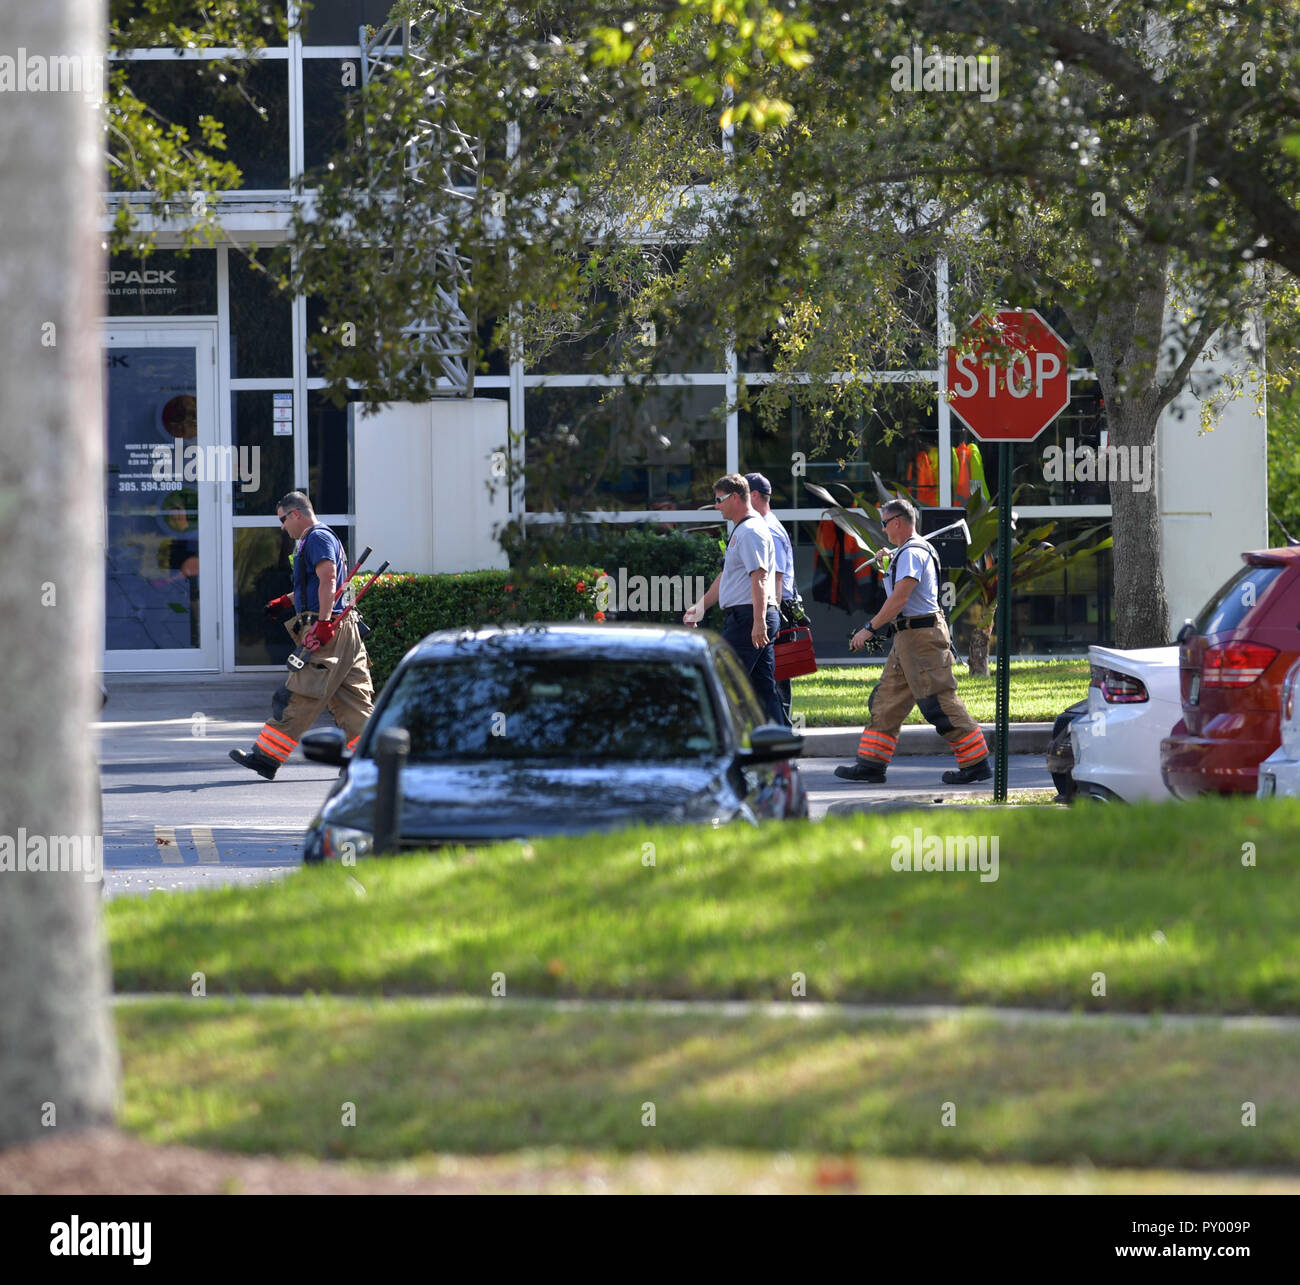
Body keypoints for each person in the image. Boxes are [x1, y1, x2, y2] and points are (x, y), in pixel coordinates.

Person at [835, 496, 991, 785]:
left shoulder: (912, 553)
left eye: (884, 523)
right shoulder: (905, 553)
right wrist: (886, 565)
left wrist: (869, 628)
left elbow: (900, 598)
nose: (883, 529)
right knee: (886, 701)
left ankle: (977, 763)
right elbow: (899, 592)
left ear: (897, 522)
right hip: (907, 638)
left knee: (938, 703)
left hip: (921, 639)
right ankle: (871, 764)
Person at [229, 491, 375, 780]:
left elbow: (329, 579)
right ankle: (369, 760)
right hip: (344, 629)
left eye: (283, 520)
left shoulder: (316, 538)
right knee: (354, 701)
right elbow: (317, 584)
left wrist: (321, 624)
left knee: (301, 693)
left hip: (329, 629)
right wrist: (287, 601)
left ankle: (266, 757)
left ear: (296, 514)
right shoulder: (323, 538)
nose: (283, 527)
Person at [682, 473, 787, 727]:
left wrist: (759, 622)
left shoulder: (751, 531)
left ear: (736, 497)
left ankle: (714, 739)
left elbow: (760, 578)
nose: (716, 506)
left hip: (749, 617)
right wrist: (700, 607)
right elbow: (727, 576)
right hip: (749, 616)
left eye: (720, 500)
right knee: (763, 689)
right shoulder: (743, 530)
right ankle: (779, 747)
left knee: (722, 679)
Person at [745, 472, 798, 725]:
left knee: (774, 683)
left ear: (754, 496)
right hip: (776, 612)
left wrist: (769, 618)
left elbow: (775, 580)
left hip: (776, 611)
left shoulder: (768, 530)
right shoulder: (767, 525)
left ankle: (781, 739)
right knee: (770, 682)